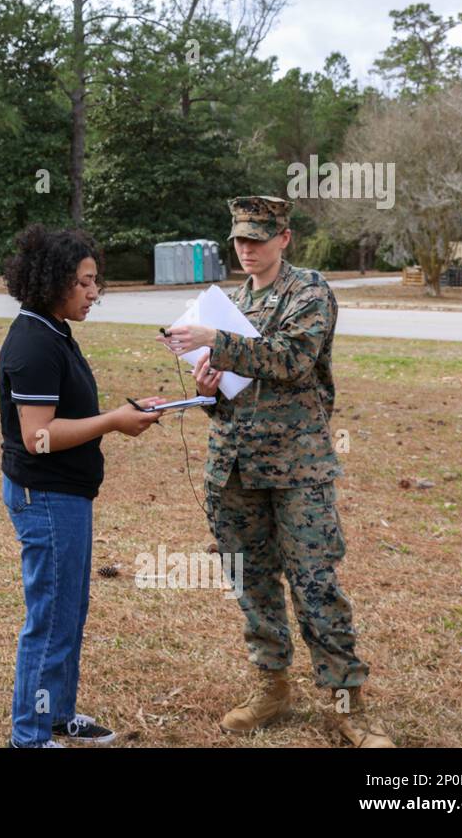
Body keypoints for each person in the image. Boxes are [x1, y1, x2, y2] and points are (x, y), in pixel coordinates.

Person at [158, 196, 395, 748]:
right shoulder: (229, 302)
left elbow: (292, 360)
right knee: (253, 582)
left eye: (259, 239)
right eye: (240, 240)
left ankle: (347, 703)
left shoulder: (307, 291)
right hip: (234, 465)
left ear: (284, 238)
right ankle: (271, 686)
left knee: (316, 584)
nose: (248, 250)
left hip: (296, 467)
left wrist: (219, 342)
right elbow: (228, 394)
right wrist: (207, 389)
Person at [0, 225, 164, 748]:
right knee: (49, 618)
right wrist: (113, 421)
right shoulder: (32, 343)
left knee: (68, 610)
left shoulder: (52, 331)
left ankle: (57, 715)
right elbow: (38, 437)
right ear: (54, 281)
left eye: (97, 282)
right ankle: (29, 737)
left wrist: (119, 414)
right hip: (45, 497)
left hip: (66, 495)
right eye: (87, 282)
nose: (96, 293)